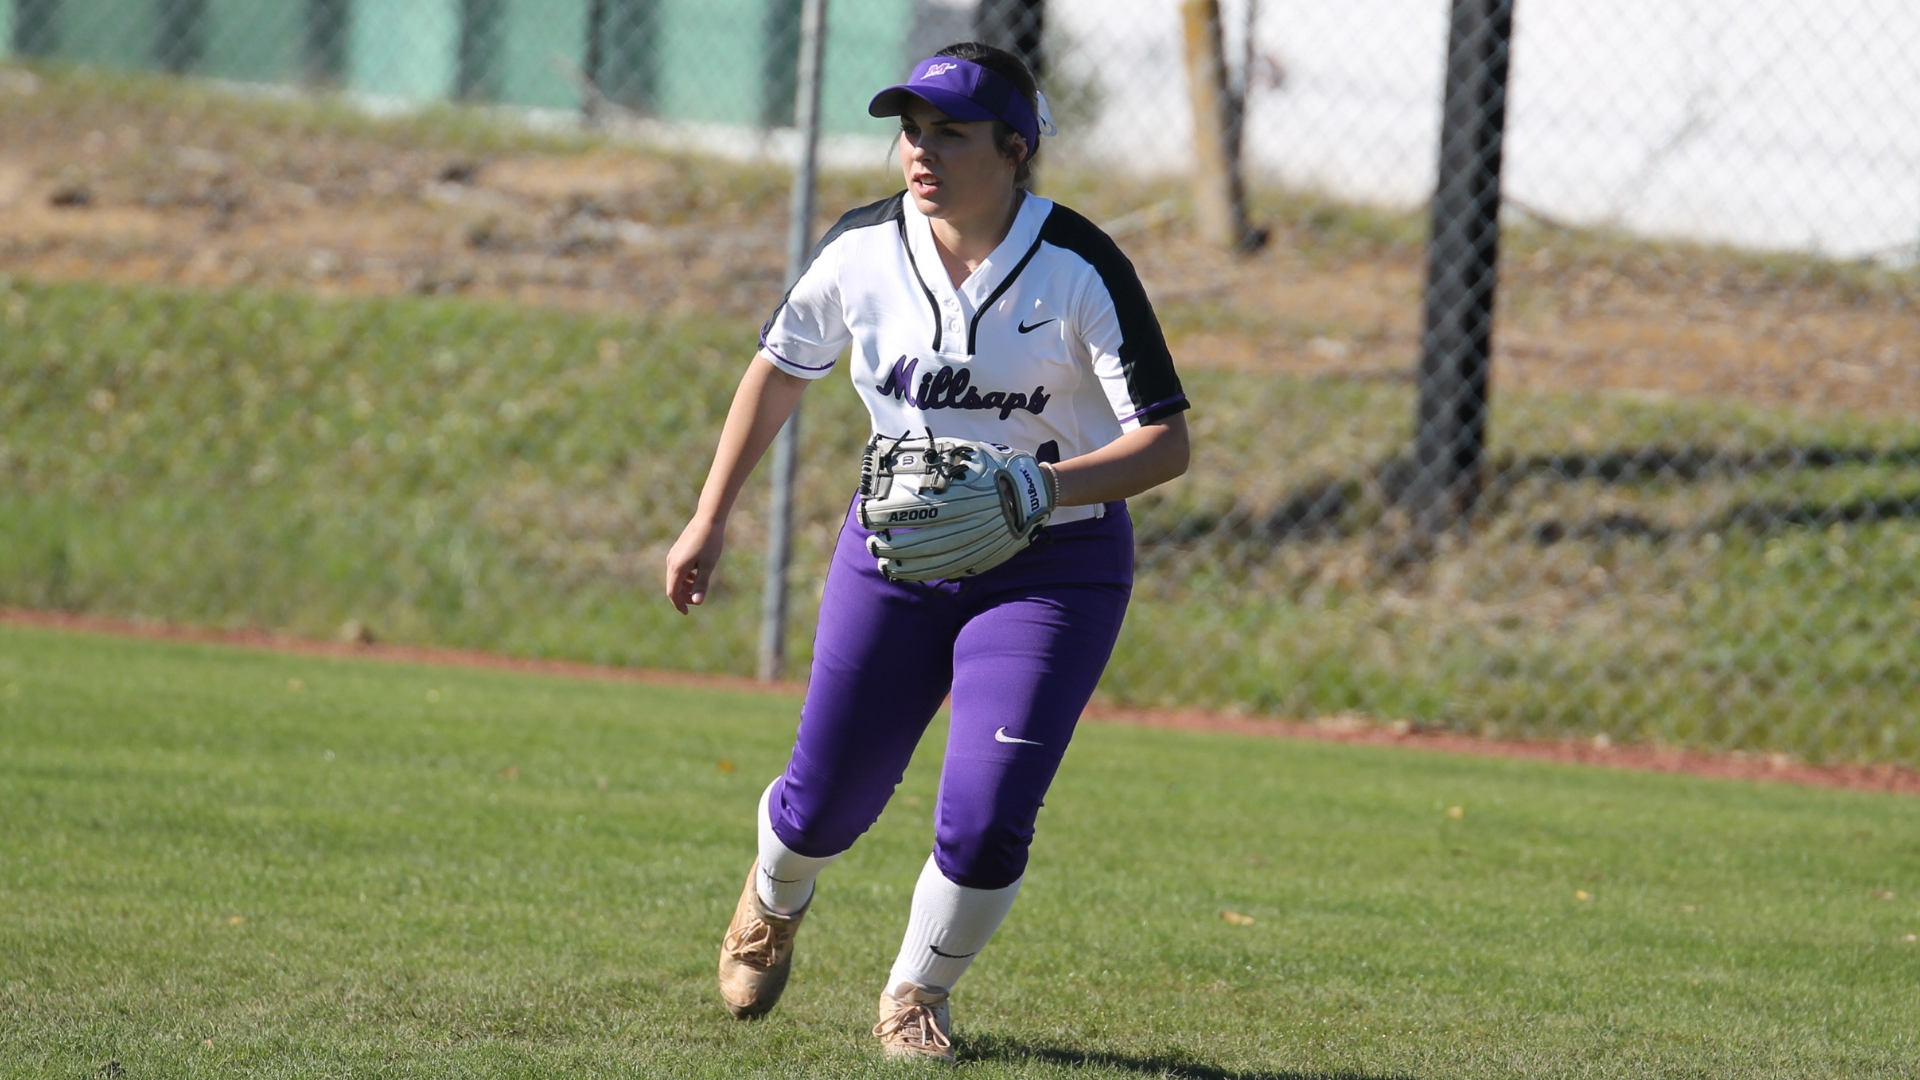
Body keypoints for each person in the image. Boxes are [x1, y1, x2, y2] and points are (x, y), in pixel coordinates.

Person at [662, 40, 1191, 1063]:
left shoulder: (1081, 264)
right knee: (827, 801)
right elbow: (778, 370)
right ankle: (773, 899)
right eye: (911, 129)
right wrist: (710, 513)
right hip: (896, 556)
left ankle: (917, 992)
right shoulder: (863, 249)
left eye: (948, 131)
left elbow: (1166, 441)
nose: (920, 149)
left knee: (990, 815)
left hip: (1054, 563)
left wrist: (1047, 484)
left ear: (1015, 145)